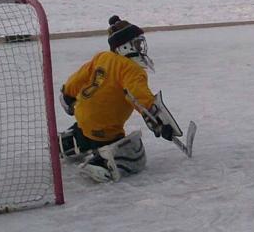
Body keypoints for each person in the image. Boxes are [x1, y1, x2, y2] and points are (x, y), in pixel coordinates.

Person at [58, 16, 189, 183]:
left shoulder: (102, 57)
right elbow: (139, 96)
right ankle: (102, 163)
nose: (141, 47)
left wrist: (68, 94)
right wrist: (161, 123)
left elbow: (78, 78)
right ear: (125, 46)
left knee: (88, 128)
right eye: (137, 43)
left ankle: (68, 142)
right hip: (105, 126)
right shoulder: (132, 70)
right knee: (134, 153)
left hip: (83, 115)